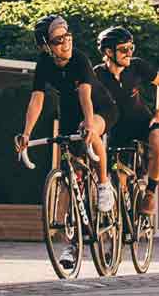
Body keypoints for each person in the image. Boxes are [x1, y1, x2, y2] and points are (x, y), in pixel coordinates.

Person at [16, 14, 118, 219]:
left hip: (100, 107)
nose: (66, 43)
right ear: (46, 47)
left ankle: (104, 184)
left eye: (67, 36)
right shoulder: (44, 63)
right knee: (69, 164)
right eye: (58, 40)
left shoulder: (79, 59)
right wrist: (26, 134)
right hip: (70, 111)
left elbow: (85, 95)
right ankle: (70, 223)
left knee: (89, 130)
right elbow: (37, 99)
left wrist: (89, 123)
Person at [94, 25, 159, 216]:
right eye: (123, 49)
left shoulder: (137, 66)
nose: (129, 53)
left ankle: (150, 192)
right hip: (117, 130)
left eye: (131, 48)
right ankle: (122, 223)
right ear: (108, 52)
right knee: (119, 184)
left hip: (142, 122)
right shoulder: (97, 75)